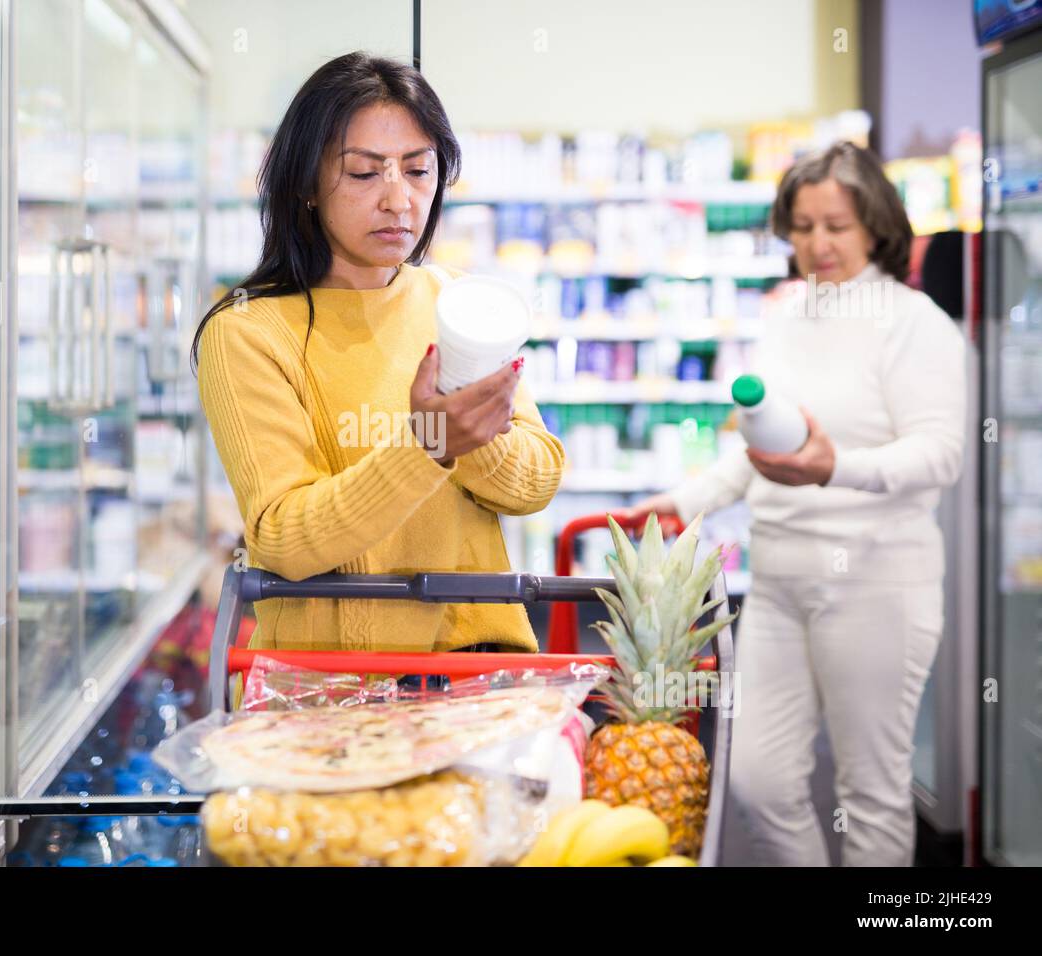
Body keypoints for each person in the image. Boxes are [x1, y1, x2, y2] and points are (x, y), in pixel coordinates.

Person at [625, 141, 966, 866]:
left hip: (877, 580)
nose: (818, 243)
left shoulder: (914, 322)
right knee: (757, 779)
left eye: (836, 225)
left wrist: (832, 467)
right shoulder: (786, 318)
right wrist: (685, 502)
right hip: (779, 582)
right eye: (802, 225)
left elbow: (941, 453)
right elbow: (762, 448)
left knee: (869, 790)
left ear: (875, 225)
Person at [192, 52, 564, 655]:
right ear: (307, 184)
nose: (399, 200)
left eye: (418, 170)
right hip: (328, 690)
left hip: (481, 674)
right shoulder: (247, 331)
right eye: (365, 174)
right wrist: (428, 446)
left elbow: (534, 486)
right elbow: (283, 540)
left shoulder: (457, 303)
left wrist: (471, 441)